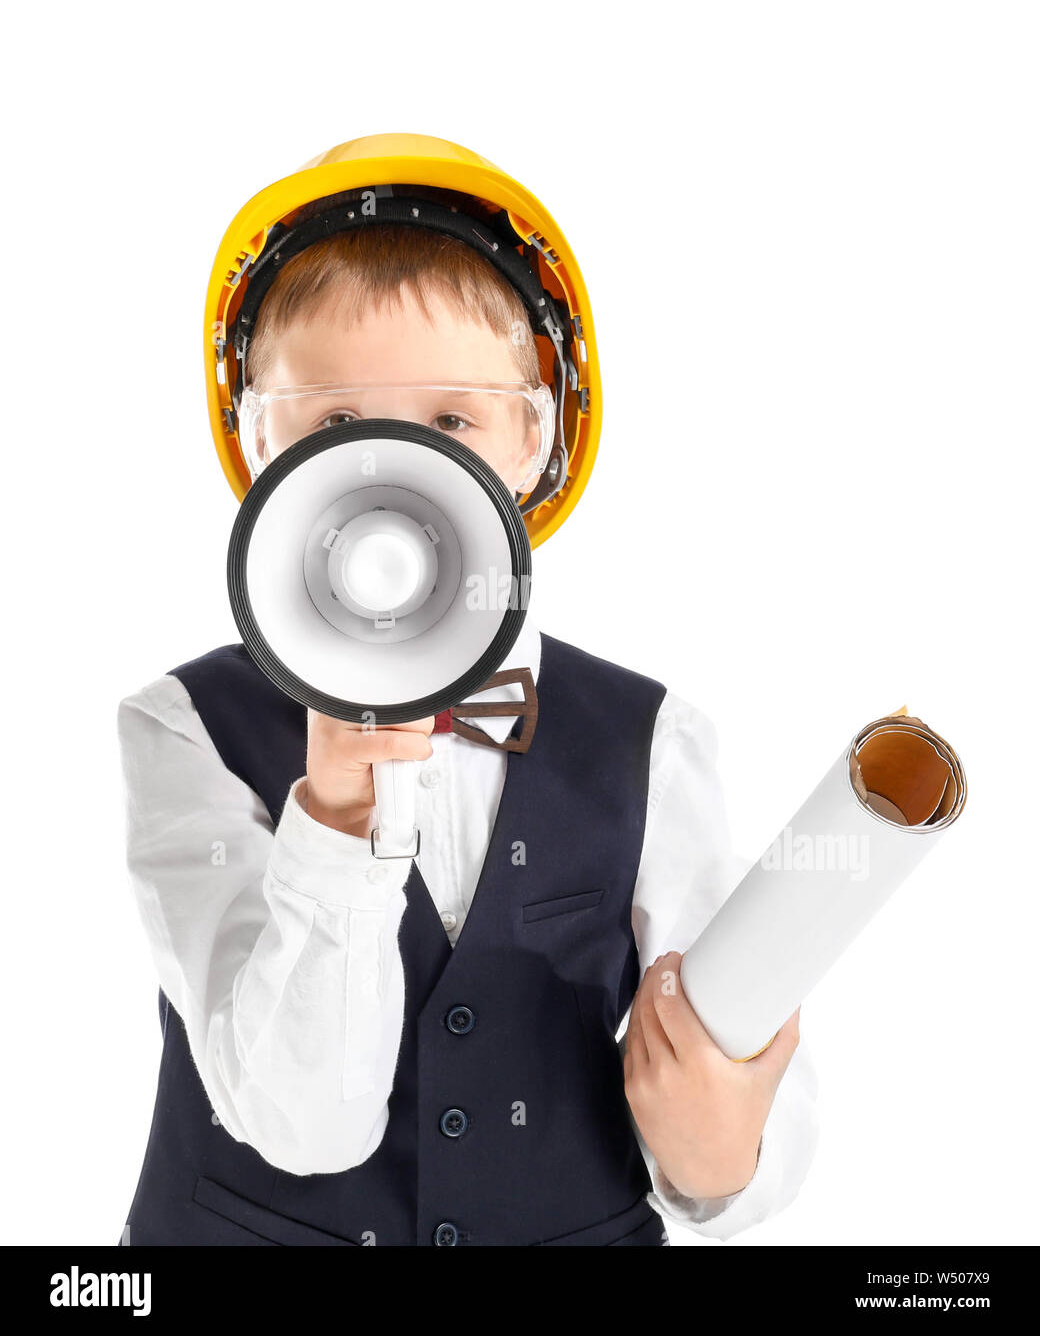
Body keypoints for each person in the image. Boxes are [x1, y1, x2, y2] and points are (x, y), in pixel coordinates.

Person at [117, 134, 818, 1247]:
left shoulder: (650, 737)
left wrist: (722, 1149)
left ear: (536, 443)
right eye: (336, 426)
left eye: (451, 422)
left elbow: (735, 1135)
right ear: (261, 456)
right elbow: (303, 1123)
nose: (397, 476)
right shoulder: (182, 728)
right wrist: (337, 821)